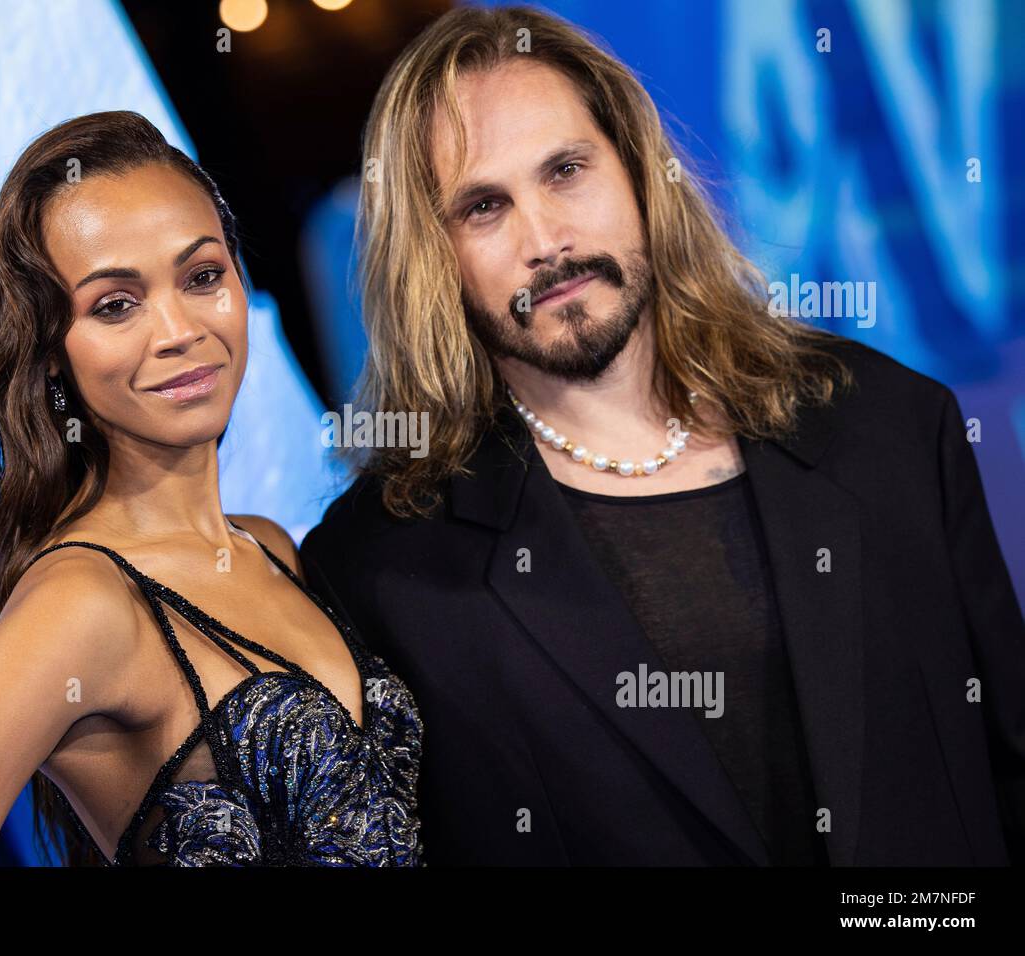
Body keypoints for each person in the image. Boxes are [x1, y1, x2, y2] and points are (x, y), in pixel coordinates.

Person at [300, 6, 1025, 865]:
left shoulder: (894, 427)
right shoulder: (384, 569)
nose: (546, 241)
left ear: (642, 171)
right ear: (432, 257)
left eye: (567, 170)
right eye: (484, 207)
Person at [0, 111, 423, 867]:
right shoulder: (82, 602)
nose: (178, 329)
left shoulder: (269, 545)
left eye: (203, 276)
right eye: (116, 304)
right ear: (49, 353)